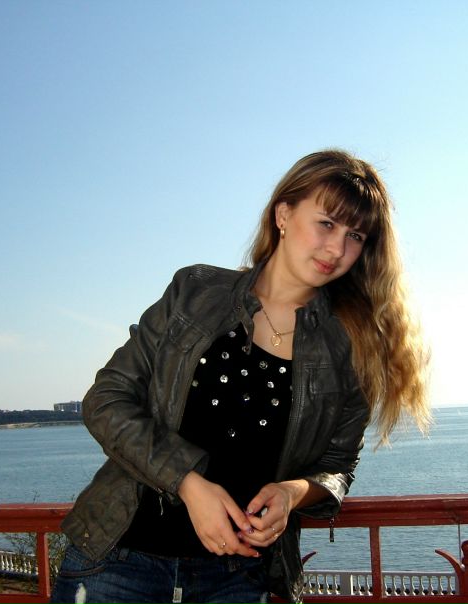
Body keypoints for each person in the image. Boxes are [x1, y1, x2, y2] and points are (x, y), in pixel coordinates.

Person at [51, 149, 430, 604]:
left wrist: (292, 493)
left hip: (237, 576)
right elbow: (106, 399)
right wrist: (189, 484)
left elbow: (337, 464)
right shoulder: (194, 292)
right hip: (119, 559)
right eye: (326, 223)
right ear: (283, 214)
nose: (336, 249)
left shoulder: (351, 346)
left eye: (355, 236)